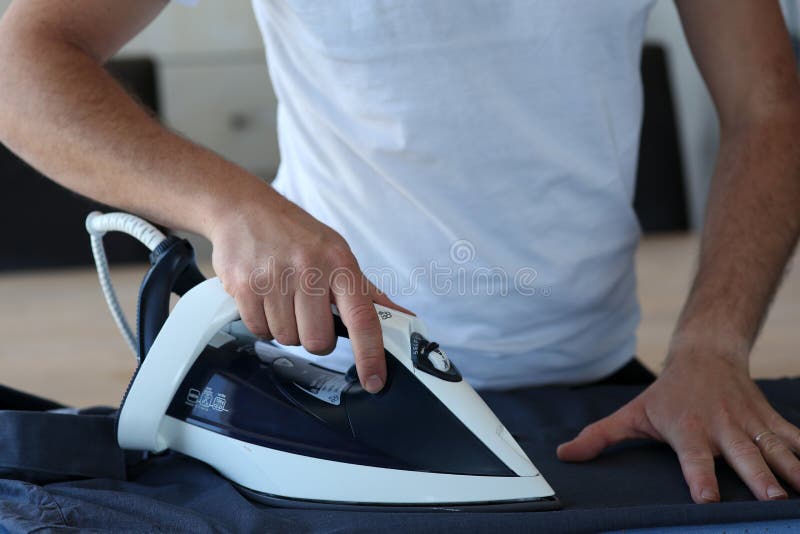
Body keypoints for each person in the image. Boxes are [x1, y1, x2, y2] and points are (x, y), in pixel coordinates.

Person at [1, 0, 799, 506]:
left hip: (601, 397)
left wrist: (712, 345)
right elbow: (21, 63)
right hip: (323, 380)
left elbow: (768, 106)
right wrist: (231, 206)